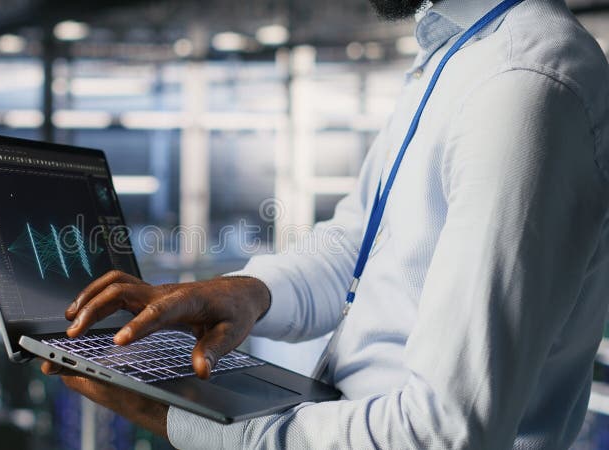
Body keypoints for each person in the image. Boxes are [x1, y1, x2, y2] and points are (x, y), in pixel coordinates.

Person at [41, 0, 609, 446]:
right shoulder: (458, 57)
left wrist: (180, 420)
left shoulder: (520, 85)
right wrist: (248, 294)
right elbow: (359, 245)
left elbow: (440, 436)